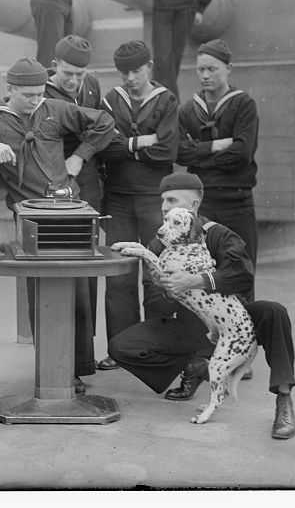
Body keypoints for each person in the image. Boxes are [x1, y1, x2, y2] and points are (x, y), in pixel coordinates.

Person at [0, 57, 116, 392]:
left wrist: (81, 154)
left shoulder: (55, 109)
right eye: (28, 94)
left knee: (76, 293)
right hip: (31, 219)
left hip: (68, 210)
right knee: (43, 295)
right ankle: (52, 367)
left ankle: (77, 367)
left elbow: (104, 122)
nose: (35, 100)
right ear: (10, 90)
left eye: (39, 93)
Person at [107, 172, 295, 439]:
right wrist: (169, 291)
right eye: (162, 201)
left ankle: (284, 399)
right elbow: (153, 296)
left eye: (171, 200)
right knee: (121, 347)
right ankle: (196, 364)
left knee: (274, 312)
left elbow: (243, 274)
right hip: (190, 322)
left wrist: (195, 280)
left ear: (193, 206)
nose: (163, 207)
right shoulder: (161, 242)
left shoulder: (219, 235)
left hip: (231, 315)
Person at [95, 40, 179, 371]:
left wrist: (125, 145)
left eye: (136, 70)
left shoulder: (167, 99)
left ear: (150, 68)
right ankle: (121, 350)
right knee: (119, 276)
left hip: (153, 197)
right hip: (117, 197)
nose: (130, 77)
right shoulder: (110, 100)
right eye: (125, 72)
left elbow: (168, 151)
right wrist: (144, 141)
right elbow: (106, 147)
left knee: (157, 272)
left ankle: (158, 347)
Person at [44, 34, 104, 375]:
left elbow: (104, 129)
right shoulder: (40, 90)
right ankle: (61, 363)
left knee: (88, 276)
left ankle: (83, 358)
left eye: (80, 74)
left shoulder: (91, 84)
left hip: (89, 191)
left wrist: (81, 156)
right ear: (54, 67)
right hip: (57, 195)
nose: (74, 80)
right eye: (67, 72)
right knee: (61, 277)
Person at [176, 39, 260, 268]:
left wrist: (199, 156)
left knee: (241, 269)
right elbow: (179, 154)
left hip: (237, 201)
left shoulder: (243, 105)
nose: (205, 75)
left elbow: (242, 154)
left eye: (212, 69)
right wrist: (214, 146)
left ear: (228, 69)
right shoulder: (188, 109)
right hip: (203, 202)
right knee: (202, 269)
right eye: (201, 69)